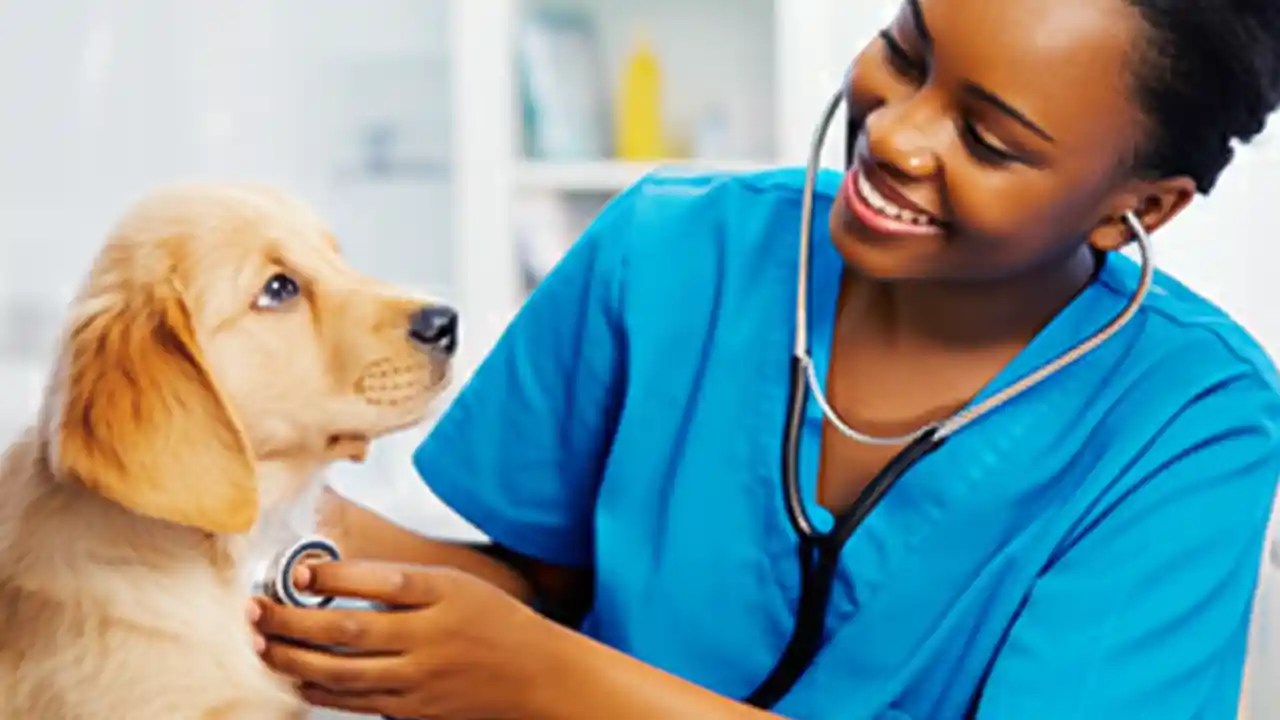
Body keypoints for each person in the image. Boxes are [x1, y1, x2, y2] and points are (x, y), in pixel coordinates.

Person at [250, 0, 1280, 717]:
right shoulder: (663, 253)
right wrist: (256, 512)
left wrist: (548, 688)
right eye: (908, 51)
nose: (899, 135)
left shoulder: (1192, 423)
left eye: (989, 139)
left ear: (1136, 209)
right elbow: (535, 592)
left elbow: (528, 659)